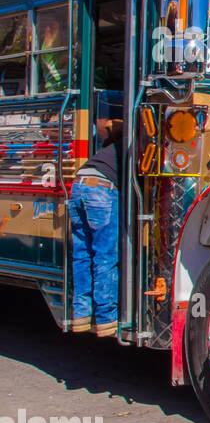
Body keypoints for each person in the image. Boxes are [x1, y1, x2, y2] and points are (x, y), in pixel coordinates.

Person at [69, 116, 122, 336]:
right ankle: (106, 319)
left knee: (82, 254)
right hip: (102, 189)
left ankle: (81, 315)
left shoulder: (109, 150)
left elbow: (104, 124)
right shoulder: (136, 146)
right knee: (105, 255)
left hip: (78, 184)